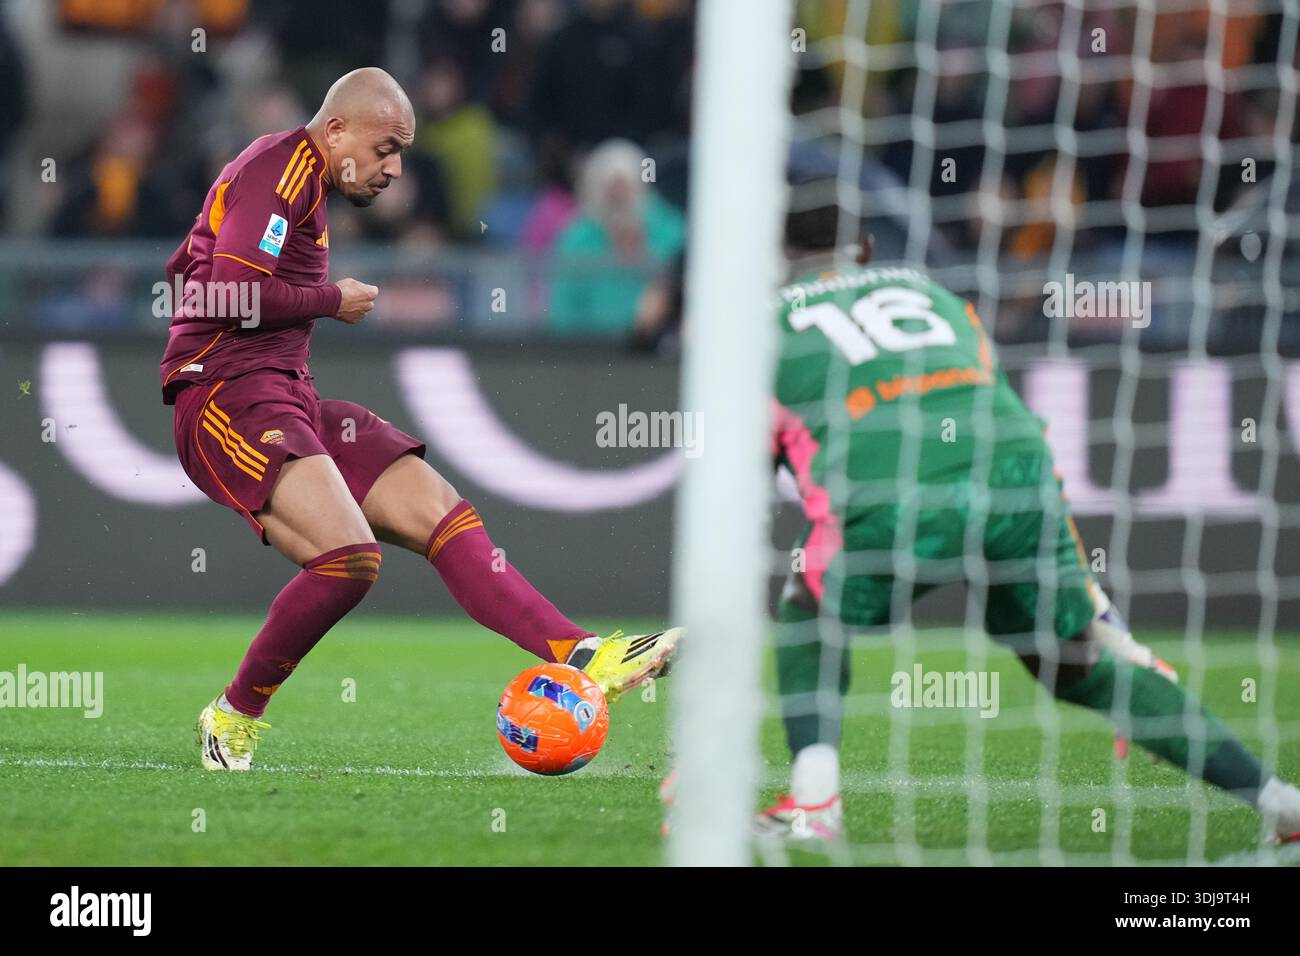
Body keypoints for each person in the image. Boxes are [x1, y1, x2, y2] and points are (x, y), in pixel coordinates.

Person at [158, 67, 680, 771]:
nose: (395, 169)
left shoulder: (298, 180)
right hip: (224, 399)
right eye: (385, 149)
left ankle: (584, 653)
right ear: (336, 128)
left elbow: (194, 276)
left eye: (402, 152)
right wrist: (328, 299)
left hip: (287, 396)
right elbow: (223, 295)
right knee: (348, 560)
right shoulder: (279, 171)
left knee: (440, 511)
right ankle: (232, 716)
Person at [756, 208, 1300, 845]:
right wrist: (1104, 621)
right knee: (1073, 661)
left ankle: (815, 804)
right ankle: (1280, 801)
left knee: (808, 605)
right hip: (1015, 464)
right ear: (868, 247)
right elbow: (981, 400)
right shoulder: (931, 294)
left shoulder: (760, 328)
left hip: (895, 490)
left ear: (778, 250)